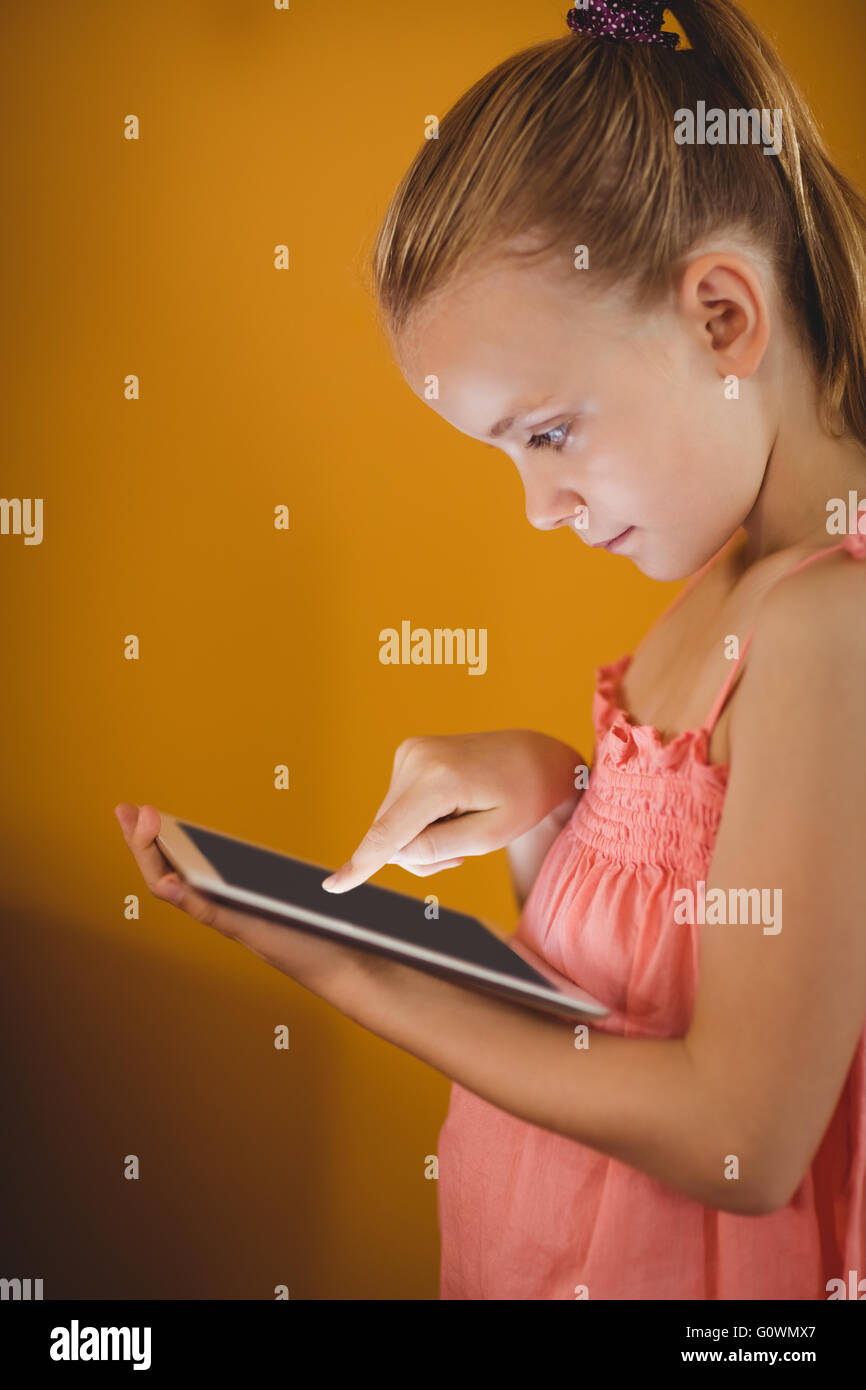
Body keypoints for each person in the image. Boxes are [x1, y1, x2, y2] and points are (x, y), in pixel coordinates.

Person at [116, 0, 866, 1299]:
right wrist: (547, 793)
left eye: (551, 431)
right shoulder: (725, 583)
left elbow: (740, 1135)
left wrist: (357, 969)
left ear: (721, 320)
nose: (539, 505)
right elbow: (640, 987)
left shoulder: (826, 629)